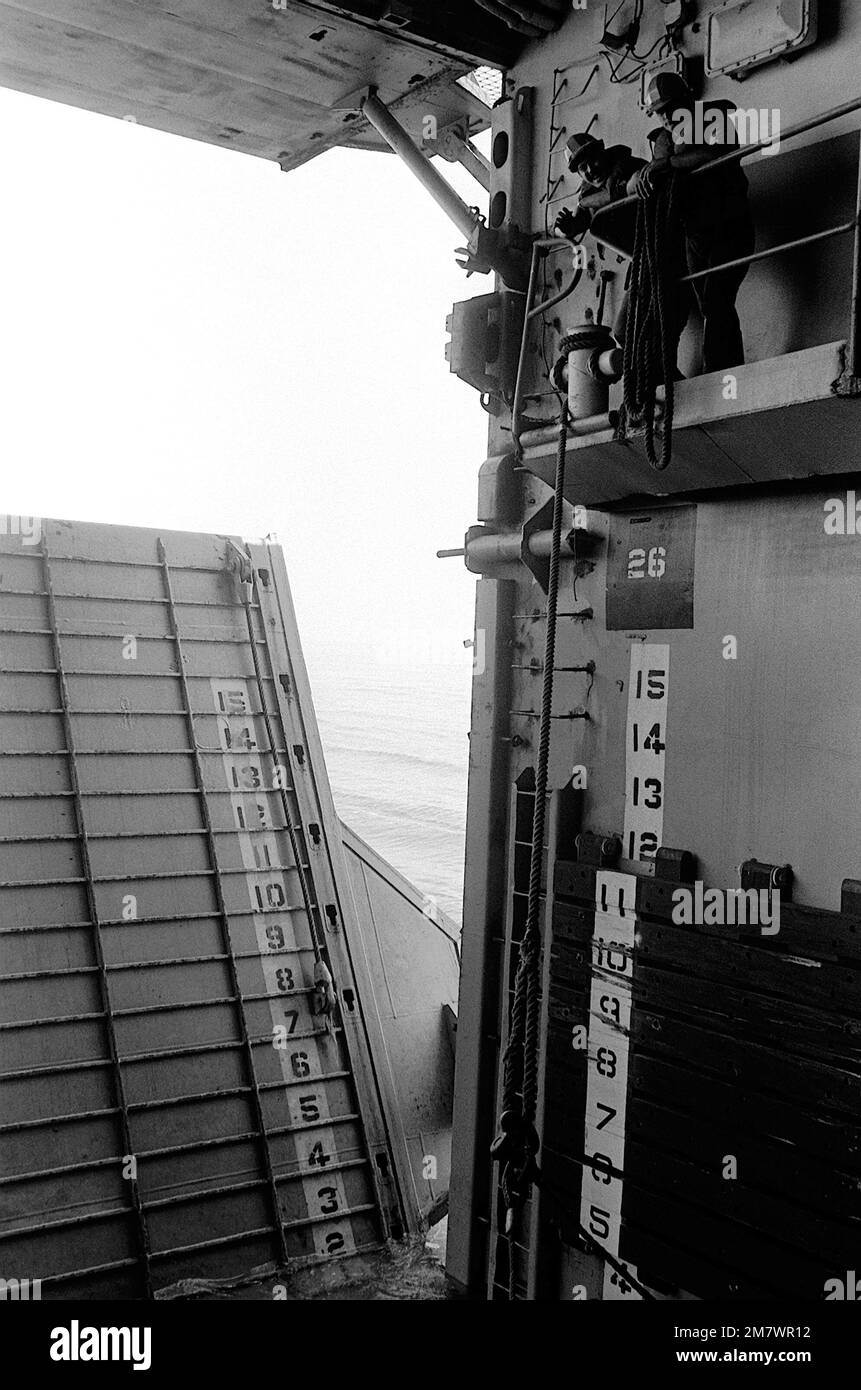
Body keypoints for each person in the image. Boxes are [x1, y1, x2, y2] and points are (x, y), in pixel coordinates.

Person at [630, 72, 755, 373]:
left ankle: (724, 373)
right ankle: (712, 372)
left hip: (729, 227)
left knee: (717, 301)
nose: (665, 118)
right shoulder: (662, 140)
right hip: (695, 235)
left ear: (686, 100)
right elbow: (645, 179)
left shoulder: (713, 118)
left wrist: (666, 164)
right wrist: (639, 176)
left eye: (669, 109)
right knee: (706, 304)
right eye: (659, 112)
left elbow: (720, 152)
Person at [554, 131, 644, 240]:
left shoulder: (629, 166)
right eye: (583, 167)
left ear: (603, 154)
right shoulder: (589, 193)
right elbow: (561, 230)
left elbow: (637, 181)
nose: (591, 170)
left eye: (593, 160)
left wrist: (584, 203)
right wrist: (567, 229)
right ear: (580, 175)